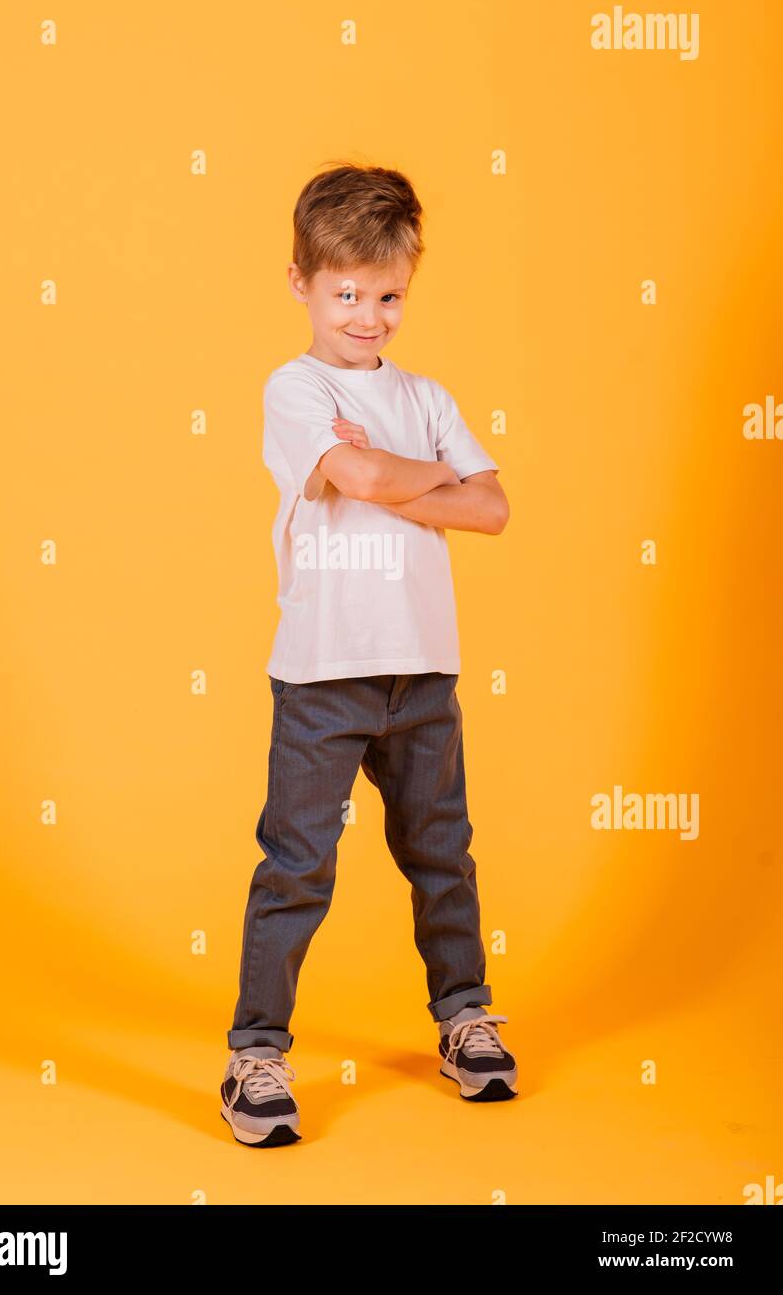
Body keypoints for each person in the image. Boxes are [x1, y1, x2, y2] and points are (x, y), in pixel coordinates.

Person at [221, 162, 518, 1147]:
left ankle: (465, 1016)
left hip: (423, 669)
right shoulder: (292, 387)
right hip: (322, 674)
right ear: (301, 281)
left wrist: (400, 473)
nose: (369, 315)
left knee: (442, 851)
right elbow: (347, 468)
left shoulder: (426, 395)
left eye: (388, 295)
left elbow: (493, 507)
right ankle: (256, 1053)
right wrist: (413, 475)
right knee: (298, 862)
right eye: (347, 292)